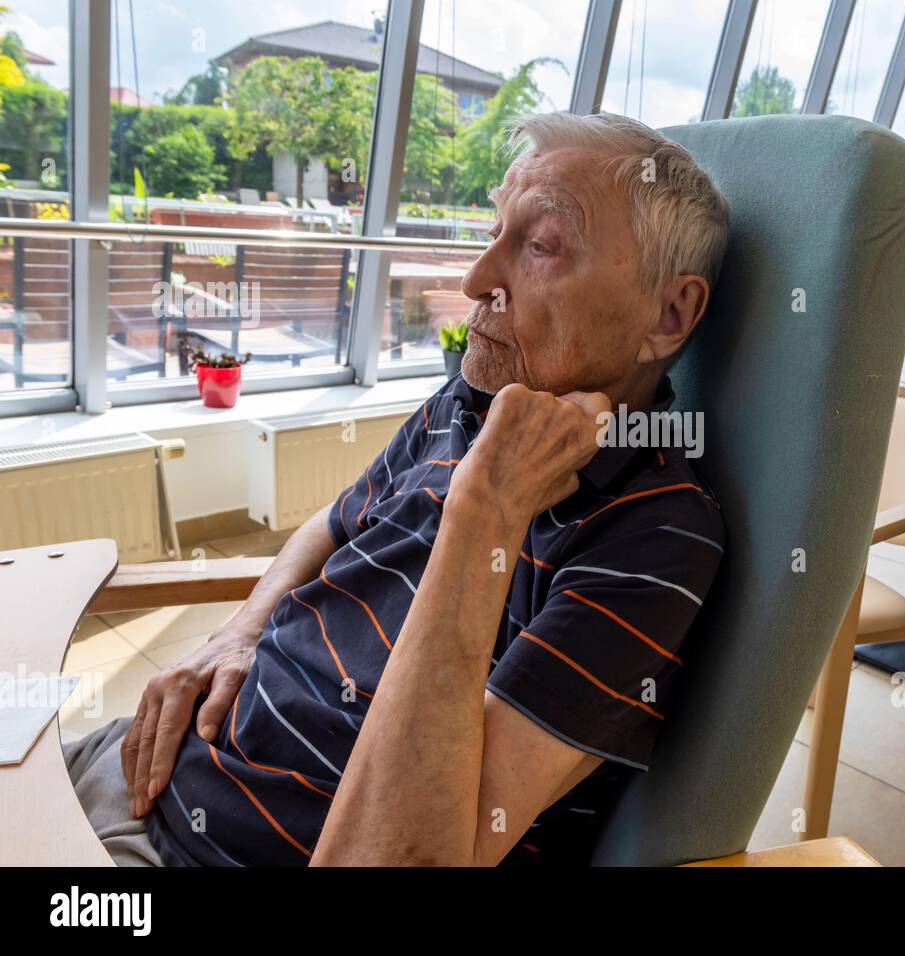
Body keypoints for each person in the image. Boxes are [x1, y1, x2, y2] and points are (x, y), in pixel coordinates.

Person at [63, 111, 730, 866]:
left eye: (541, 247)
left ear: (670, 313)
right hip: (138, 767)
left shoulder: (654, 539)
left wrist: (489, 510)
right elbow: (335, 522)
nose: (477, 281)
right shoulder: (465, 405)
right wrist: (242, 630)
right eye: (494, 231)